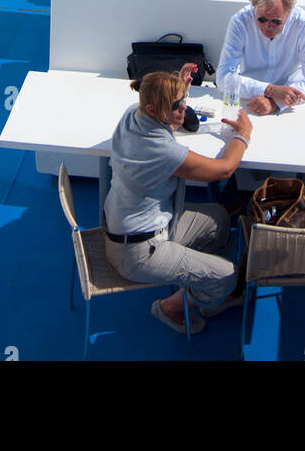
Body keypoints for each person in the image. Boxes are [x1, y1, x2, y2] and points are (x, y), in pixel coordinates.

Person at [104, 67, 253, 332]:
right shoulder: (163, 152)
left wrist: (178, 88)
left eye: (184, 100)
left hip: (132, 228)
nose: (184, 108)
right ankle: (171, 307)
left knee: (219, 218)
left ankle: (200, 280)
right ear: (153, 110)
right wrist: (243, 133)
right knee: (230, 274)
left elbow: (169, 117)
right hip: (139, 253)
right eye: (177, 104)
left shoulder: (132, 113)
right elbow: (224, 170)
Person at [217, 0, 305, 115]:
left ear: (288, 13)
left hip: (289, 102)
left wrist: (276, 102)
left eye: (276, 21)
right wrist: (270, 90)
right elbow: (223, 78)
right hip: (249, 101)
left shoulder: (304, 24)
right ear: (254, 9)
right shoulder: (240, 21)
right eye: (262, 20)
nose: (268, 26)